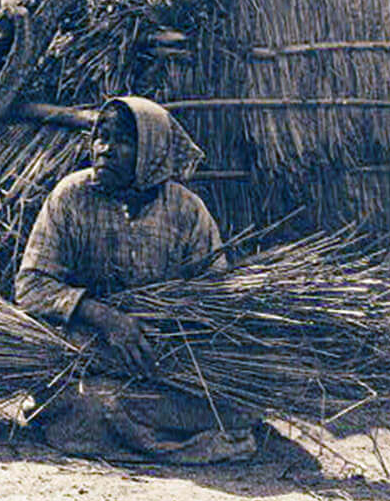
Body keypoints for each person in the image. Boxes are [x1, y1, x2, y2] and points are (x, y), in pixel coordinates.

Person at [14, 95, 259, 463]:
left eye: (123, 141)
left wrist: (166, 331)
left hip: (159, 361)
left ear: (153, 152)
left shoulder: (186, 210)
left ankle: (133, 421)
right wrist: (105, 318)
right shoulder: (70, 197)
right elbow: (31, 285)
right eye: (102, 136)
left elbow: (216, 296)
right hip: (86, 355)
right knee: (78, 401)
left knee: (237, 403)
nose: (105, 150)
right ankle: (154, 432)